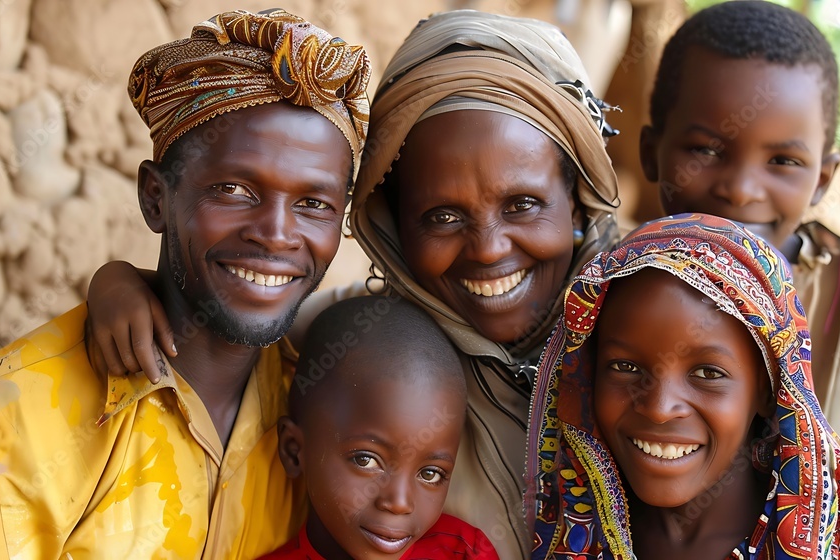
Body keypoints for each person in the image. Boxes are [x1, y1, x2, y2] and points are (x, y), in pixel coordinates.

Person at [83, 10, 621, 557]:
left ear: (576, 198)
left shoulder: (640, 332)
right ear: (393, 226)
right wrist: (123, 283)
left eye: (524, 204)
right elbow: (234, 316)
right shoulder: (360, 348)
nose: (487, 248)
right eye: (441, 216)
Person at [0, 9, 370, 559]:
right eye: (236, 189)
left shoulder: (319, 417)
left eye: (314, 204)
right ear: (155, 198)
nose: (276, 234)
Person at [636, 3, 840, 556]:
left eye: (782, 161)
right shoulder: (611, 290)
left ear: (824, 179)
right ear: (650, 153)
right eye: (705, 150)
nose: (740, 190)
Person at [527, 213, 840, 559]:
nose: (660, 407)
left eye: (708, 374)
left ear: (770, 389)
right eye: (626, 367)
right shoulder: (562, 522)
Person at [258, 295, 498, 559]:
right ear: (294, 450)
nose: (399, 503)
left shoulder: (463, 552)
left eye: (430, 474)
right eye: (366, 460)